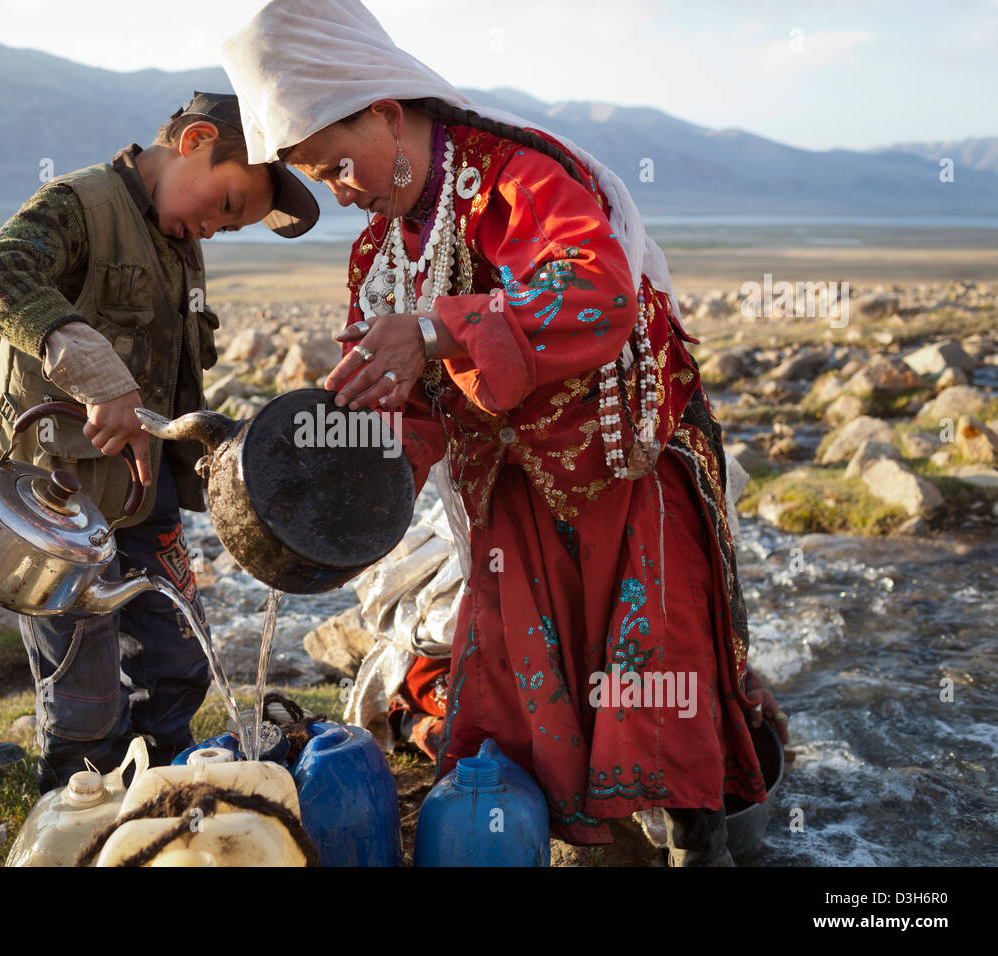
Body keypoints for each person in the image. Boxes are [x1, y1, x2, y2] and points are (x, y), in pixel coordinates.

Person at [222, 0, 787, 865]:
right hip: (514, 496)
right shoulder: (381, 255)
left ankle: (692, 839)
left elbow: (597, 291)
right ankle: (577, 833)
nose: (340, 190)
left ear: (384, 109)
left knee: (651, 682)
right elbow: (398, 405)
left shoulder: (515, 176)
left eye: (337, 163)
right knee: (536, 690)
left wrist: (440, 332)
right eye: (319, 177)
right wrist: (325, 483)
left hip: (622, 468)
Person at [0, 92, 319, 791]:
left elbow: (176, 379)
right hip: (60, 496)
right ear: (194, 140)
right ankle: (78, 804)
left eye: (232, 223)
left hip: (144, 487)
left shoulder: (181, 243)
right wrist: (94, 370)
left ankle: (166, 786)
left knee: (179, 657)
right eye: (226, 203)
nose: (218, 228)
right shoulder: (81, 204)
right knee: (84, 688)